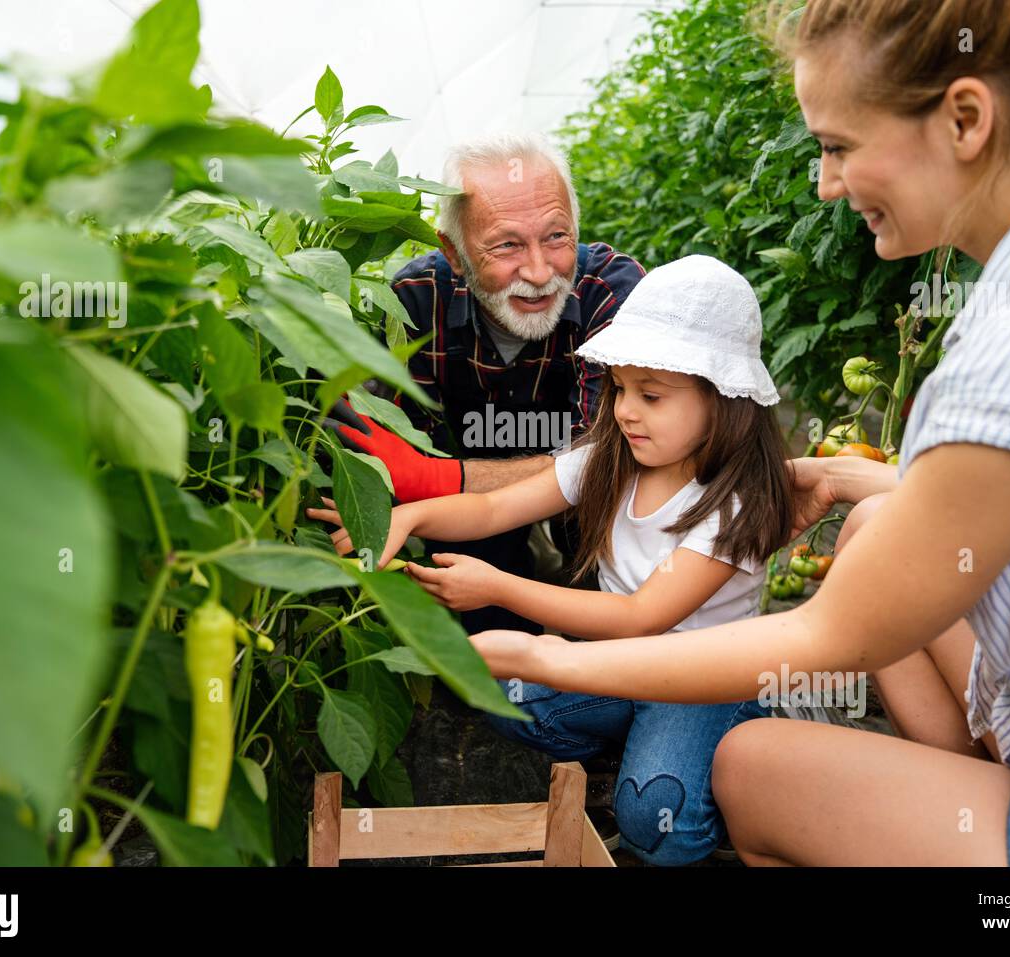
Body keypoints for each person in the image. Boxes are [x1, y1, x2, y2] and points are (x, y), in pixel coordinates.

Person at [466, 0, 1010, 866]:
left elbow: (822, 636)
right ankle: (954, 780)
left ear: (966, 120)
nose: (826, 183)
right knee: (878, 527)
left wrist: (549, 656)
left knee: (754, 766)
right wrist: (867, 482)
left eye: (838, 146)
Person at [309, 256, 795, 865]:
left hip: (703, 683)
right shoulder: (611, 460)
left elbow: (641, 616)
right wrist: (406, 516)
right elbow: (492, 512)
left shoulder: (731, 504)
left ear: (724, 400)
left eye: (651, 395)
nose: (625, 411)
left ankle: (723, 765)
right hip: (623, 667)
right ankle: (646, 739)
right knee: (498, 695)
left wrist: (499, 588)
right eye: (619, 388)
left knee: (653, 821)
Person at [329, 132, 646, 636]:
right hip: (477, 498)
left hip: (588, 496)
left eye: (557, 237)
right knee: (496, 640)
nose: (540, 272)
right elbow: (382, 445)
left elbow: (619, 455)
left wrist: (437, 479)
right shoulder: (414, 300)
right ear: (454, 254)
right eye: (507, 246)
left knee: (612, 568)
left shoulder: (611, 291)